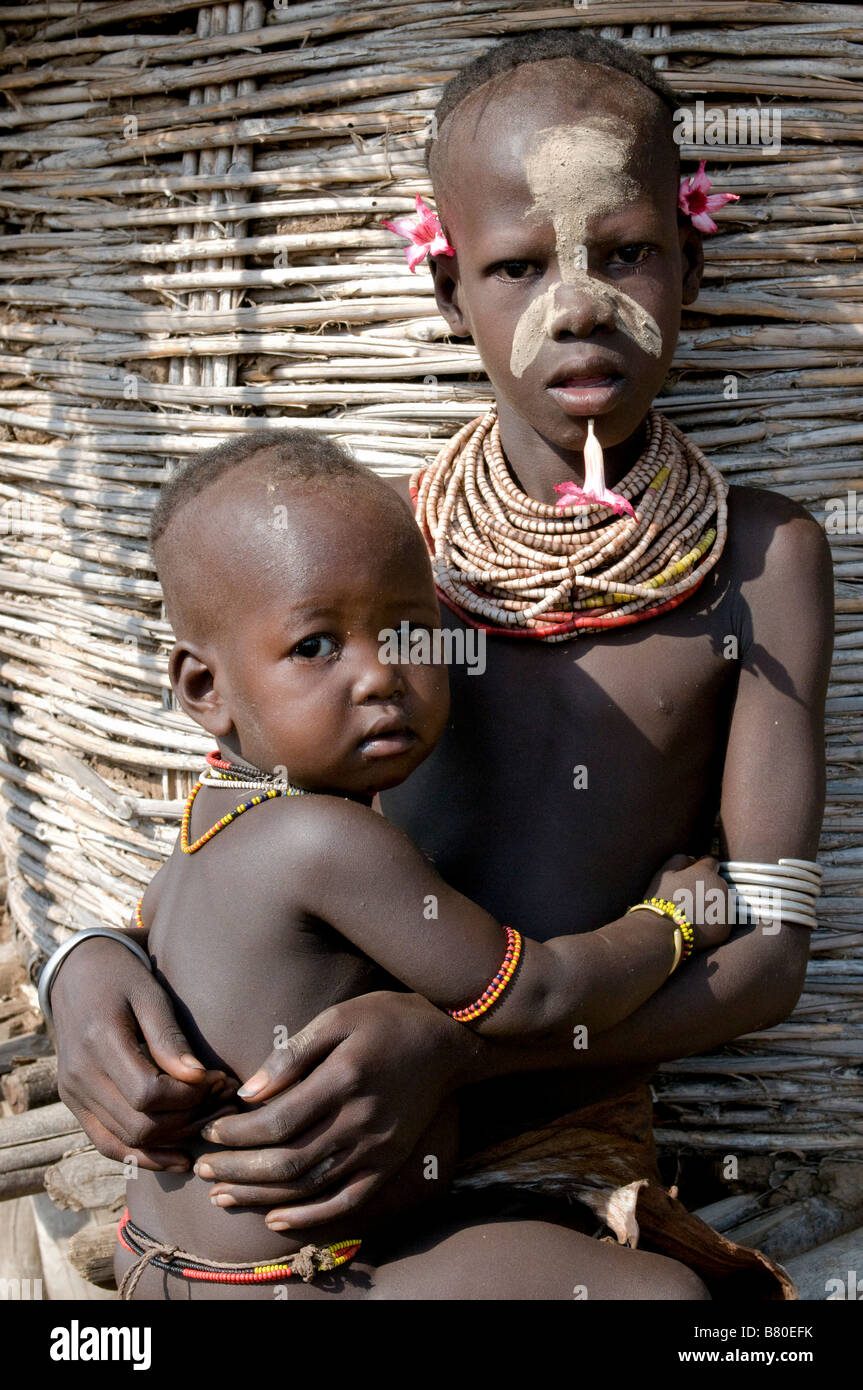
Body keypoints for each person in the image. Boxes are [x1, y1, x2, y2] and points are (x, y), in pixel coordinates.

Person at [47, 29, 832, 1300]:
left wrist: (452, 1051)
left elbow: (766, 958)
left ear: (691, 260)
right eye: (518, 267)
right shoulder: (381, 554)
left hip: (543, 1123)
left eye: (623, 252)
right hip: (313, 1129)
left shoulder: (761, 558)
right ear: (447, 291)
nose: (576, 306)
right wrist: (80, 961)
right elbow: (242, 821)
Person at [111, 428, 732, 1300]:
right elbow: (536, 996)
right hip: (278, 1287)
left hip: (156, 1261)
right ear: (203, 690)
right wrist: (670, 922)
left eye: (408, 633)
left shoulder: (208, 827)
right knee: (662, 1298)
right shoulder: (327, 840)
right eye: (316, 646)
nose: (380, 677)